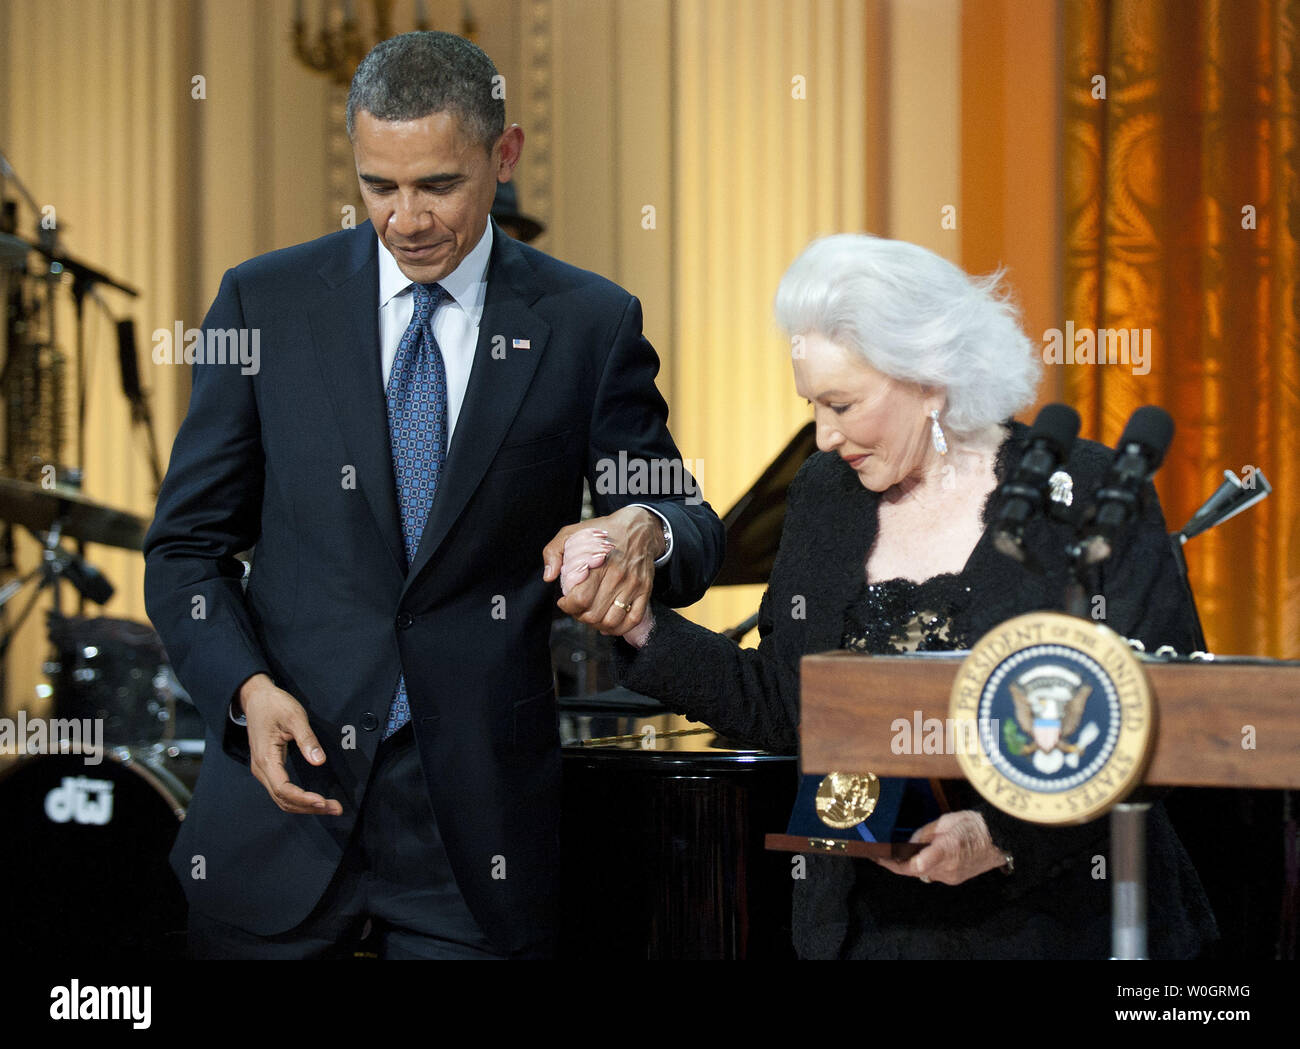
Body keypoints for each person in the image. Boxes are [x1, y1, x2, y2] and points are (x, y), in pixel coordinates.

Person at [142, 31, 724, 959]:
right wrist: (245, 691)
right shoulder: (261, 304)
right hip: (283, 806)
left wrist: (645, 528)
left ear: (505, 154)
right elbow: (183, 551)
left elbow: (687, 519)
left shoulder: (587, 321)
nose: (405, 218)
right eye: (380, 186)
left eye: (438, 185)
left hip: (474, 839)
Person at [559, 233, 1218, 960]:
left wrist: (1002, 836)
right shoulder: (824, 496)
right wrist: (641, 623)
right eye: (813, 404)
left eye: (842, 403)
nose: (824, 433)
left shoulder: (1084, 493)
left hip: (1065, 922)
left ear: (930, 376)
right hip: (869, 929)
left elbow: (1168, 714)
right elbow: (788, 707)